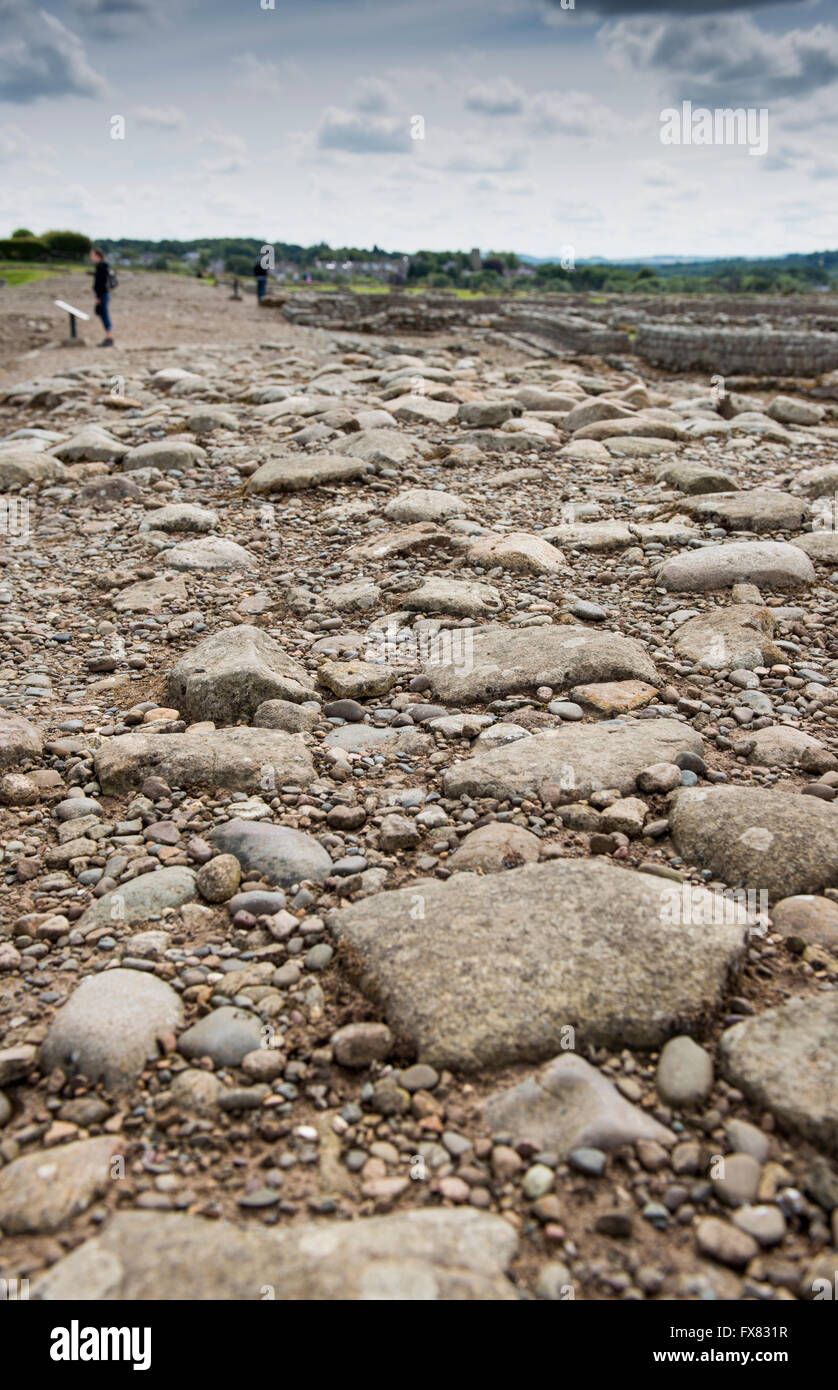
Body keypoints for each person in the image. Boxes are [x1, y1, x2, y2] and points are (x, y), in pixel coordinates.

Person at [89, 246, 114, 346]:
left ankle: (109, 338)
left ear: (97, 255)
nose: (90, 257)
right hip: (104, 294)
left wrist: (98, 297)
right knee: (103, 315)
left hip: (102, 295)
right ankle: (109, 337)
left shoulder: (101, 266)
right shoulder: (104, 266)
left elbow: (100, 284)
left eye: (92, 255)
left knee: (104, 315)